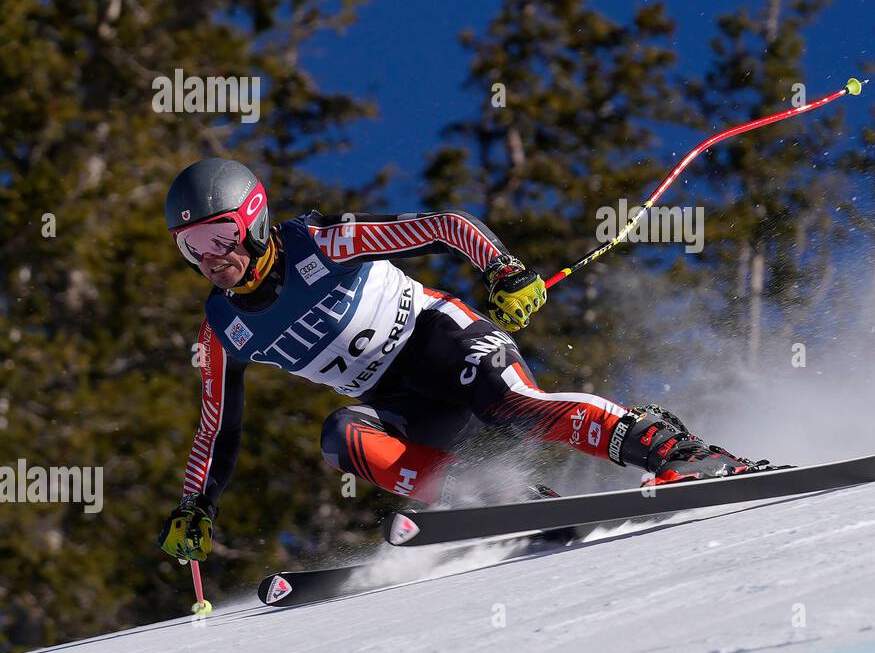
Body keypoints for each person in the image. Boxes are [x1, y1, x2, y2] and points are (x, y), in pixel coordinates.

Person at [158, 158, 764, 562]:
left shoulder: (319, 243)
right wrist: (196, 507)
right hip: (401, 406)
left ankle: (680, 453)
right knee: (341, 436)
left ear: (255, 220)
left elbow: (446, 225)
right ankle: (506, 501)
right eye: (192, 247)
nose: (211, 258)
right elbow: (217, 428)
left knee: (514, 406)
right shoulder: (223, 329)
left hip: (444, 342)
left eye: (219, 236)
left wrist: (503, 269)